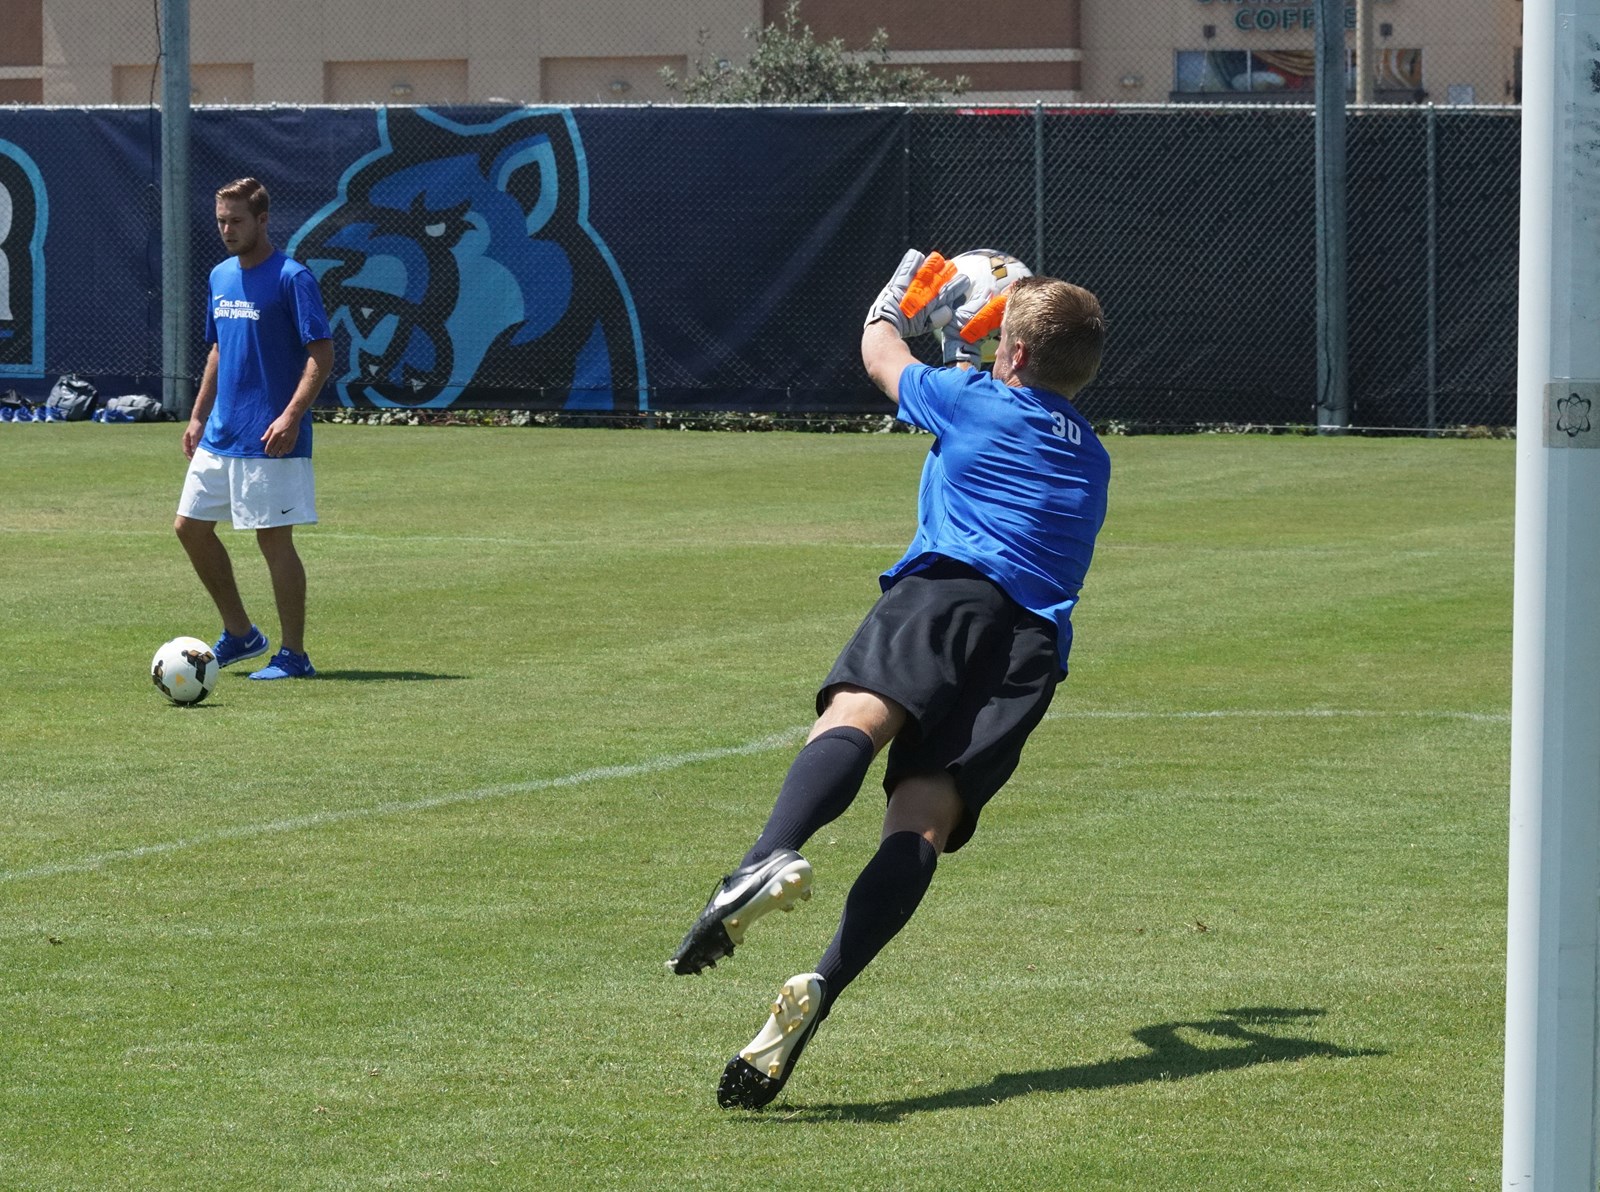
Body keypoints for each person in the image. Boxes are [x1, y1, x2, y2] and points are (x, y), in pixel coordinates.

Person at [668, 250, 1112, 1110]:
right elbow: (1006, 396)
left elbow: (882, 358)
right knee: (925, 820)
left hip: (947, 592)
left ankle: (761, 862)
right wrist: (973, 340)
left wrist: (897, 298)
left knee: (857, 717)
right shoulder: (1092, 456)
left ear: (1012, 356)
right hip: (1030, 651)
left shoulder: (973, 398)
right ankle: (823, 986)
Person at [174, 177, 333, 680]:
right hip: (222, 433)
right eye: (221, 220)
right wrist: (199, 414)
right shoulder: (221, 276)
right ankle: (241, 633)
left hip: (271, 437)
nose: (227, 229)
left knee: (272, 541)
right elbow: (219, 348)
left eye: (236, 220)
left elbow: (322, 354)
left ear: (263, 220)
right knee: (189, 528)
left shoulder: (293, 278)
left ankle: (294, 655)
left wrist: (291, 416)